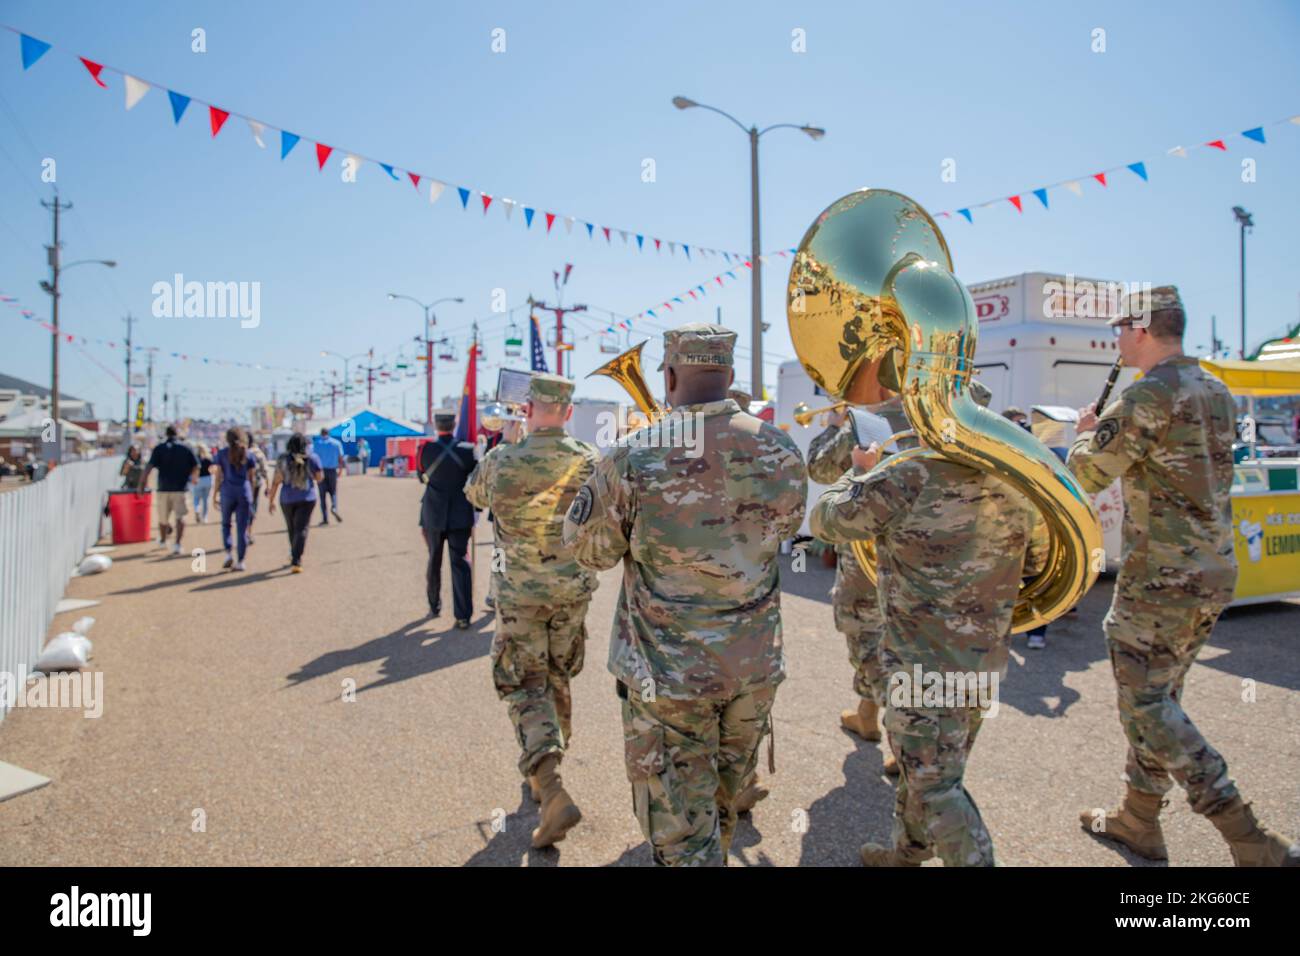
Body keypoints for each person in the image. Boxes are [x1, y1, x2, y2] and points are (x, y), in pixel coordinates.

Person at [1069, 285, 1298, 867]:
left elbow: (1089, 474)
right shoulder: (1215, 387)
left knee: (1147, 707)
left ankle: (1247, 836)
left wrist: (1084, 434)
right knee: (1162, 696)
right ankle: (1138, 820)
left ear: (1141, 331)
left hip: (1161, 577)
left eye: (1121, 327)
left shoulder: (1148, 395)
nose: (1116, 338)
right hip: (1212, 569)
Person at [563, 324, 808, 866]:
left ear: (669, 376)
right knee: (720, 807)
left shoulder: (632, 455)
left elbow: (589, 552)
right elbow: (786, 527)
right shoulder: (781, 448)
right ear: (731, 375)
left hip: (667, 678)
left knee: (680, 832)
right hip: (752, 669)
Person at [810, 390, 1045, 867]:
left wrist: (859, 471)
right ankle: (907, 853)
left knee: (934, 782)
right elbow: (1039, 563)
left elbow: (825, 522)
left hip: (920, 663)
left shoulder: (908, 474)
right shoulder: (1018, 481)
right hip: (982, 658)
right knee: (937, 767)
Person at [465, 374, 600, 849]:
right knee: (558, 675)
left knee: (526, 683)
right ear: (567, 411)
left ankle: (551, 782)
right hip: (571, 591)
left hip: (519, 593)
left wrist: (505, 445)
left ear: (527, 410)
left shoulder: (503, 459)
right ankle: (548, 768)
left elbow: (475, 496)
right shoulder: (590, 460)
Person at [805, 380, 917, 780]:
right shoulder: (938, 408)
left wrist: (838, 420)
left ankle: (909, 746)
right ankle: (868, 716)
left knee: (866, 637)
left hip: (869, 556)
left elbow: (817, 466)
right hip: (923, 559)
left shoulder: (866, 420)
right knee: (903, 642)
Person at [418, 411, 476, 627]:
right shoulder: (468, 450)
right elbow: (473, 478)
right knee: (460, 562)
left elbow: (420, 476)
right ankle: (463, 615)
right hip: (460, 513)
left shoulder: (424, 449)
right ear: (454, 425)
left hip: (433, 512)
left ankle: (434, 605)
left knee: (434, 560)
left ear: (436, 424)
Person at [139, 425, 200, 555]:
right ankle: (177, 544)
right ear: (177, 434)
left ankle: (163, 540)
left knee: (162, 518)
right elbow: (196, 465)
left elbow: (148, 467)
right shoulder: (185, 448)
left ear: (166, 434)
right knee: (180, 517)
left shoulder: (159, 448)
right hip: (180, 488)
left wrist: (142, 484)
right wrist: (193, 478)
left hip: (163, 488)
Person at [268, 432, 324, 573]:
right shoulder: (312, 458)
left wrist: (271, 500)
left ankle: (294, 553)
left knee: (292, 528)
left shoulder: (283, 460)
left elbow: (276, 481)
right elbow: (319, 478)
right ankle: (296, 559)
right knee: (302, 528)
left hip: (287, 499)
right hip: (307, 498)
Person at [212, 427, 257, 571]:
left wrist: (214, 495)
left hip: (227, 492)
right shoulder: (248, 454)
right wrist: (252, 495)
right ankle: (241, 560)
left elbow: (219, 476)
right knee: (242, 527)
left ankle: (228, 553)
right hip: (244, 492)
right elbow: (252, 478)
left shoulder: (222, 454)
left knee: (226, 524)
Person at [312, 427, 345, 525]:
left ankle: (325, 519)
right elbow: (340, 458)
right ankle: (334, 507)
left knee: (322, 496)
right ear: (328, 433)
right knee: (333, 492)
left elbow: (314, 459)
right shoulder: (336, 443)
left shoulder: (317, 444)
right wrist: (340, 470)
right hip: (332, 470)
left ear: (320, 433)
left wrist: (314, 473)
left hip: (321, 471)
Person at [246, 430, 268, 545]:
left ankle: (245, 532)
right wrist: (267, 486)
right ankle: (248, 532)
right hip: (255, 485)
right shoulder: (257, 452)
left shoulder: (238, 452)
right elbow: (265, 470)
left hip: (240, 485)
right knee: (252, 508)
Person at [191, 443, 214, 523]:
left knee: (196, 498)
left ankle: (197, 509)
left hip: (198, 479)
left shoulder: (194, 459)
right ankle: (205, 517)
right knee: (206, 499)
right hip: (208, 479)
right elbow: (213, 469)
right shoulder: (208, 459)